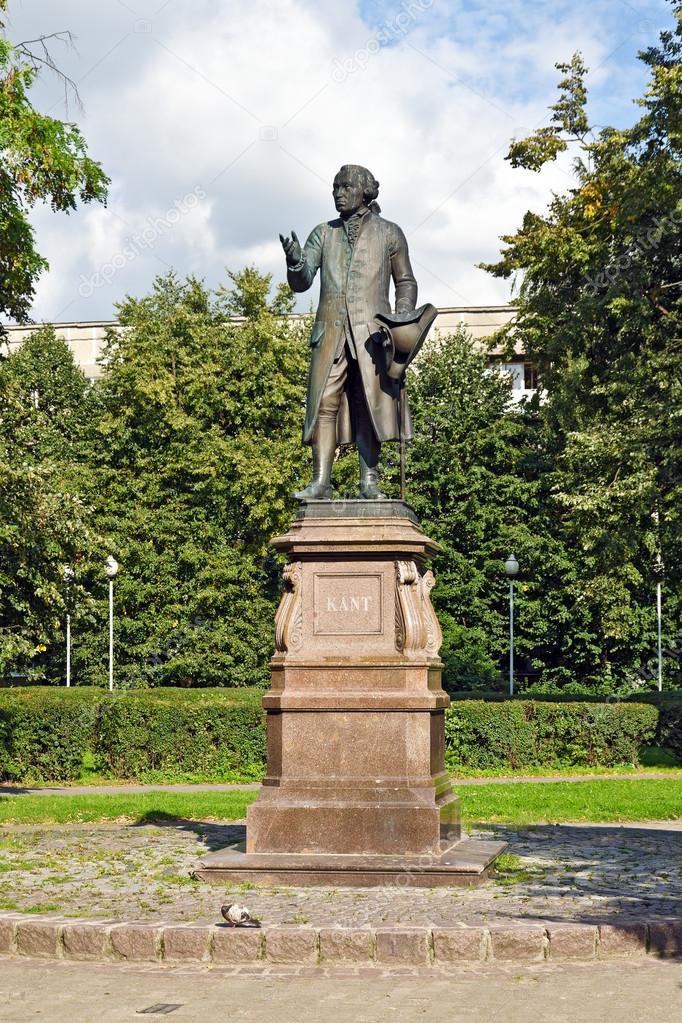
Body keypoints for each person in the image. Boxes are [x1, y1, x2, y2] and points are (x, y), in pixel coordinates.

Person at [280, 163, 419, 500]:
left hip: (372, 337)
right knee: (324, 404)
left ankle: (369, 483)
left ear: (364, 191)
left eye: (345, 188)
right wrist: (296, 262)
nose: (338, 194)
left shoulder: (389, 232)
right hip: (330, 335)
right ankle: (321, 482)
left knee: (367, 405)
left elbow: (405, 282)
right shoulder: (323, 233)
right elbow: (302, 282)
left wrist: (401, 317)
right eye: (335, 188)